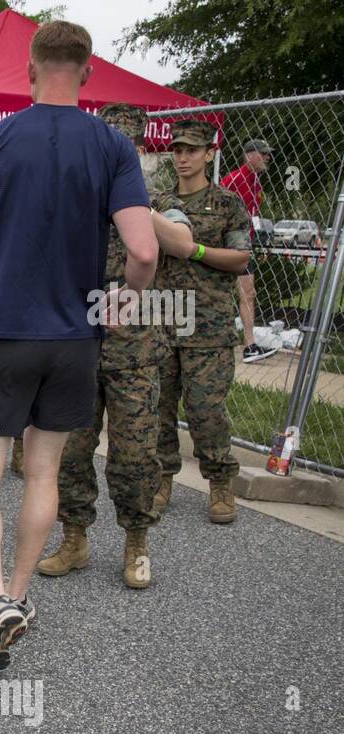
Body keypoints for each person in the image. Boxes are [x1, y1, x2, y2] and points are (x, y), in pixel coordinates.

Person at [0, 20, 158, 675]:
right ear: (87, 73)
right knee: (43, 472)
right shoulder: (113, 147)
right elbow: (144, 250)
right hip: (72, 342)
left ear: (30, 71)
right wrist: (124, 298)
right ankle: (22, 593)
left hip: (1, 337)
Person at [38, 103, 196, 590]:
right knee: (71, 451)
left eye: (124, 149)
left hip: (138, 353)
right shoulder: (73, 200)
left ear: (142, 152)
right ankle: (75, 539)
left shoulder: (160, 201)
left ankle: (136, 543)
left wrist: (131, 203)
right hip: (79, 347)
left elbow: (184, 245)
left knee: (134, 455)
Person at [153, 119, 251, 524]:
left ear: (209, 154)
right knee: (158, 407)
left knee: (206, 410)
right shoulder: (159, 204)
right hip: (162, 317)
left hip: (208, 323)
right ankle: (161, 479)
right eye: (177, 150)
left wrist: (192, 251)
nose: (182, 158)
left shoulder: (227, 203)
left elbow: (240, 258)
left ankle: (220, 481)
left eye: (191, 150)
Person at [221, 138, 274, 361]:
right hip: (228, 244)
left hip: (245, 245)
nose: (267, 158)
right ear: (249, 155)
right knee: (232, 293)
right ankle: (241, 342)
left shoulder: (256, 183)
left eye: (267, 154)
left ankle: (249, 344)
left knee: (248, 293)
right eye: (262, 154)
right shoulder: (234, 179)